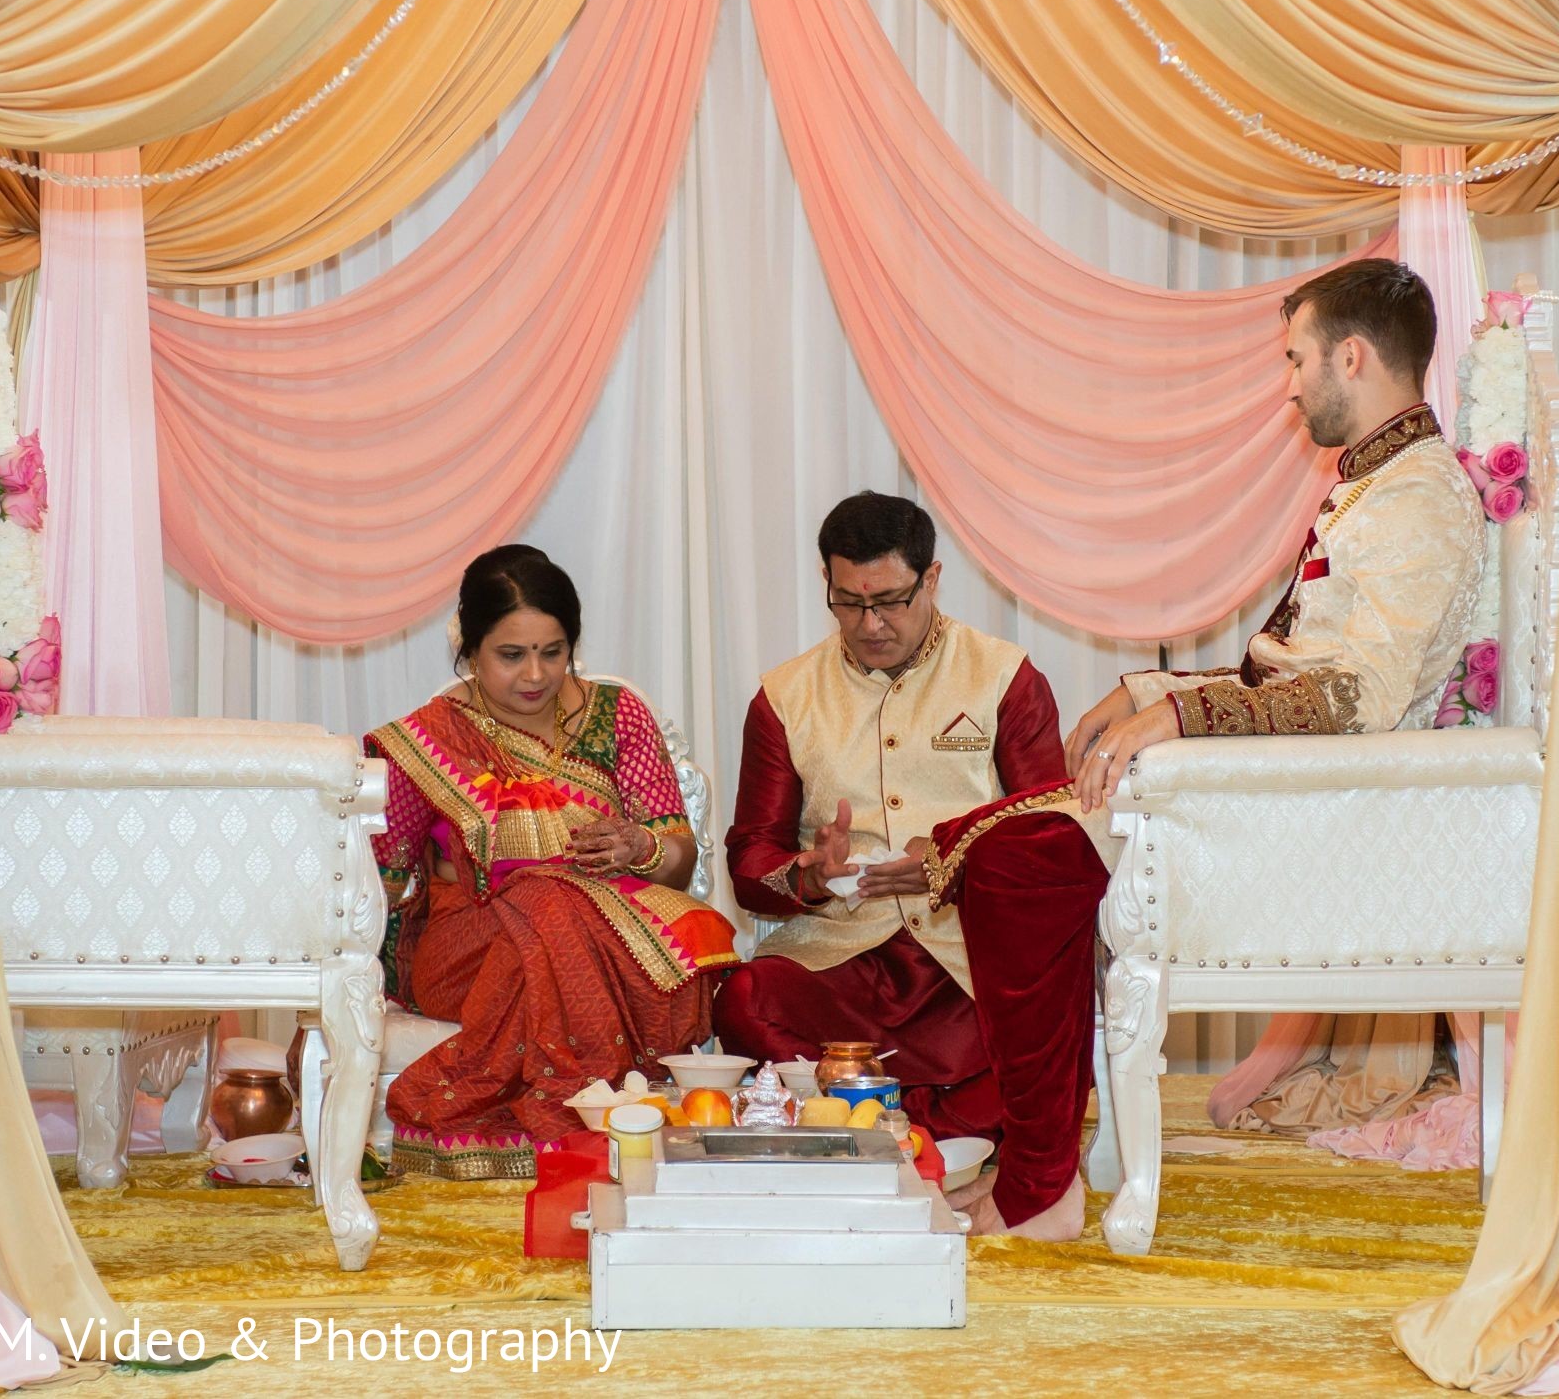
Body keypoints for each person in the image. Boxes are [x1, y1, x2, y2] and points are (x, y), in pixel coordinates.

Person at [1066, 257, 1485, 1137]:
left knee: (1030, 864)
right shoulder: (1377, 481)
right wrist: (1144, 689)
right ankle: (1057, 1126)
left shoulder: (1416, 498)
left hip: (1325, 814)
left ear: (1353, 358)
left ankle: (1050, 1142)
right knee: (1027, 842)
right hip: (1299, 791)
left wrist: (1176, 716)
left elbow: (1359, 699)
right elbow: (1288, 670)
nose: (1288, 388)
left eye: (1296, 360)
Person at [716, 491, 1102, 1238]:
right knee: (744, 999)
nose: (870, 625)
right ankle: (942, 1131)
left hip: (967, 962)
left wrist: (950, 858)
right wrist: (808, 873)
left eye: (890, 600)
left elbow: (1055, 831)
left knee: (1040, 1044)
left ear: (931, 580)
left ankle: (865, 1128)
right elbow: (748, 860)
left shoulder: (1002, 678)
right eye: (847, 603)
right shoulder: (785, 698)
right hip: (842, 960)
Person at [365, 545, 738, 1178]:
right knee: (545, 896)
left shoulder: (618, 715)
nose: (535, 675)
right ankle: (583, 1115)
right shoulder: (423, 740)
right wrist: (338, 995)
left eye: (553, 651)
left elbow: (677, 862)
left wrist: (638, 846)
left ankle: (569, 1115)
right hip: (470, 952)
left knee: (560, 900)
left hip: (623, 941)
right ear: (470, 647)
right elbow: (380, 886)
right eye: (511, 655)